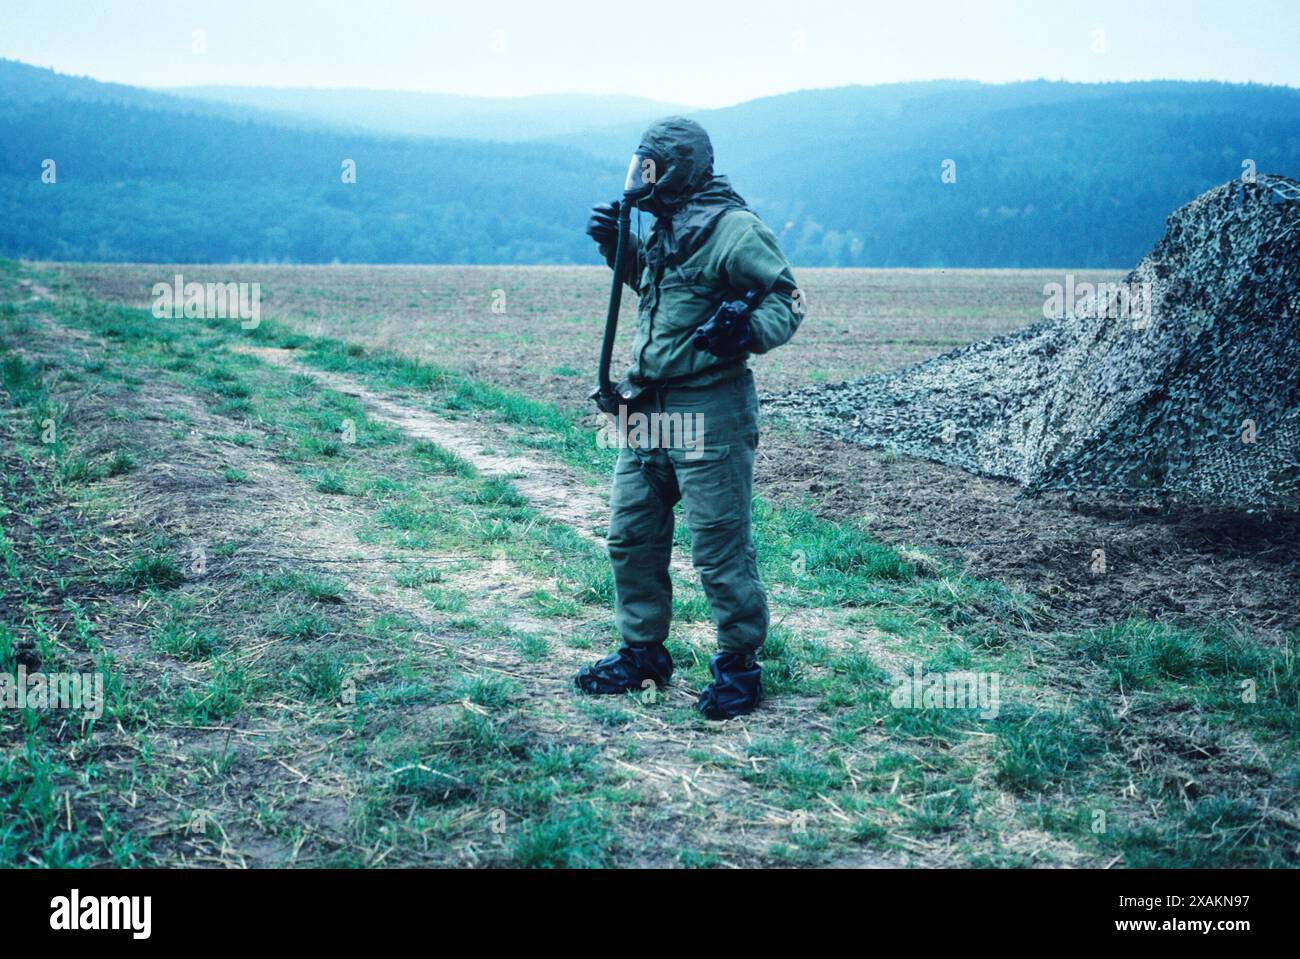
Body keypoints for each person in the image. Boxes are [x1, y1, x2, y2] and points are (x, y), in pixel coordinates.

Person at [575, 116, 804, 720]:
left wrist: (744, 330)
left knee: (718, 544)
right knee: (631, 536)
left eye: (649, 169)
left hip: (710, 406)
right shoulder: (668, 225)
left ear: (676, 169)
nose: (638, 179)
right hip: (647, 405)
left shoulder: (732, 228)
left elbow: (787, 299)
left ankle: (738, 665)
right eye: (637, 166)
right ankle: (643, 653)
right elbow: (656, 289)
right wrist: (617, 248)